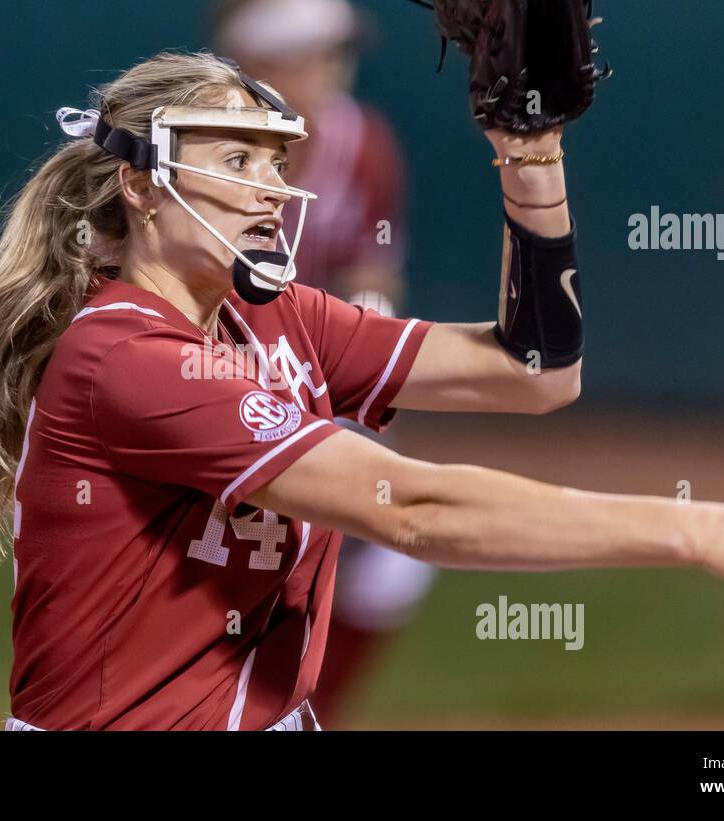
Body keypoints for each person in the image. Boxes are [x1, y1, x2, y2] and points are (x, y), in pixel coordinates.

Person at [0, 51, 724, 731]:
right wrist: (701, 527)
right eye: (236, 160)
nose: (269, 190)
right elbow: (409, 507)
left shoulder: (281, 319)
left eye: (275, 162)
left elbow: (535, 373)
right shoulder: (122, 356)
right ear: (140, 186)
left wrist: (531, 156)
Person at [213, 0, 433, 724]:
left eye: (334, 54)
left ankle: (305, 711)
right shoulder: (204, 147)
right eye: (310, 55)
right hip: (202, 381)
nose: (329, 72)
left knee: (400, 543)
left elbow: (374, 280)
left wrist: (354, 358)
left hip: (305, 378)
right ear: (259, 63)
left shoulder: (361, 142)